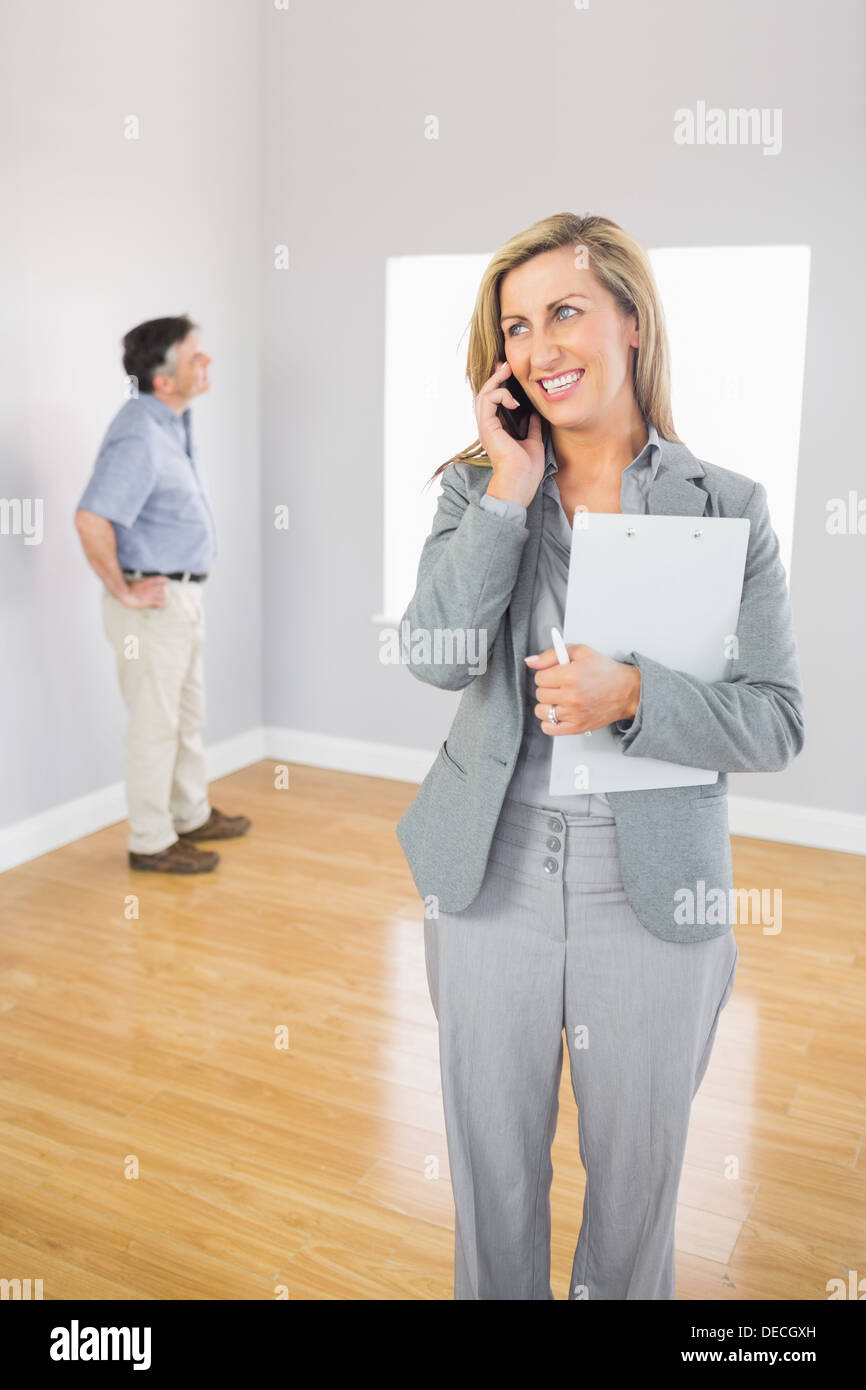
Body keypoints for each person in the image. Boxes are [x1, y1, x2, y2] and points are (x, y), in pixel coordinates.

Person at [396, 212, 805, 1300]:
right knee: (490, 1182)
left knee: (634, 1192)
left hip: (652, 886)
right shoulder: (474, 490)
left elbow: (774, 718)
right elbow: (434, 657)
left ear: (629, 320)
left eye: (563, 311)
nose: (539, 346)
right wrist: (508, 489)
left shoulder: (727, 506)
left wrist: (634, 695)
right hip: (489, 876)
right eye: (516, 327)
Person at [74, 315, 251, 873]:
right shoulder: (140, 432)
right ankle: (151, 842)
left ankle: (190, 813)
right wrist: (123, 591)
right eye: (195, 358)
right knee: (155, 726)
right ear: (162, 380)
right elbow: (90, 518)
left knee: (187, 716)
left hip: (182, 599)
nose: (208, 363)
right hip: (151, 607)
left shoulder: (173, 422)